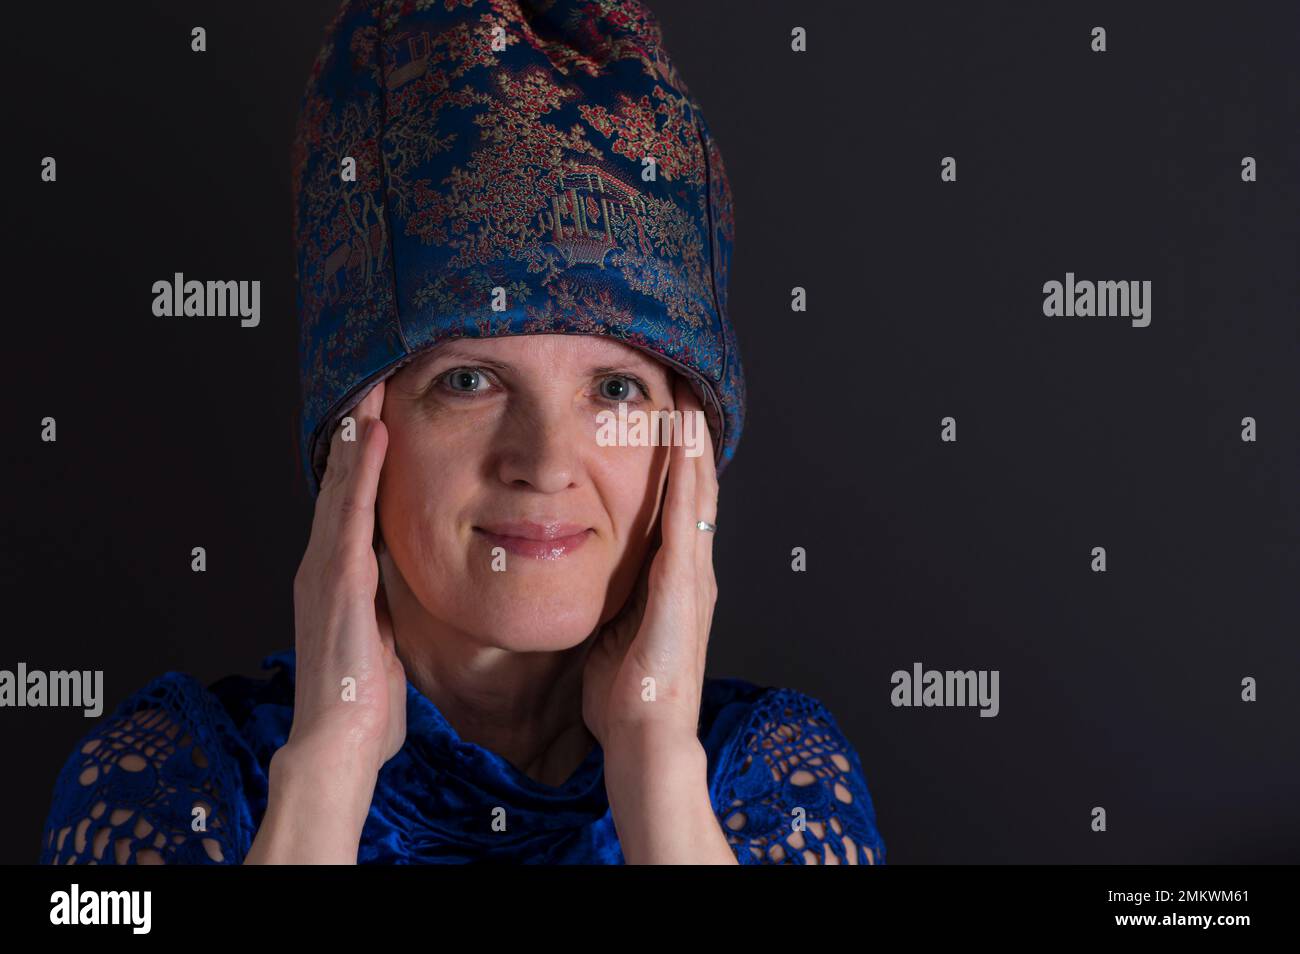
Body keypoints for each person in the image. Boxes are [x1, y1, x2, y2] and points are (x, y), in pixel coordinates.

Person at [37, 0, 886, 865]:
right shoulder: (163, 782)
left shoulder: (777, 787)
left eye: (617, 388)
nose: (547, 462)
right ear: (352, 430)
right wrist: (331, 763)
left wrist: (656, 766)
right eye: (469, 382)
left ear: (688, 447)